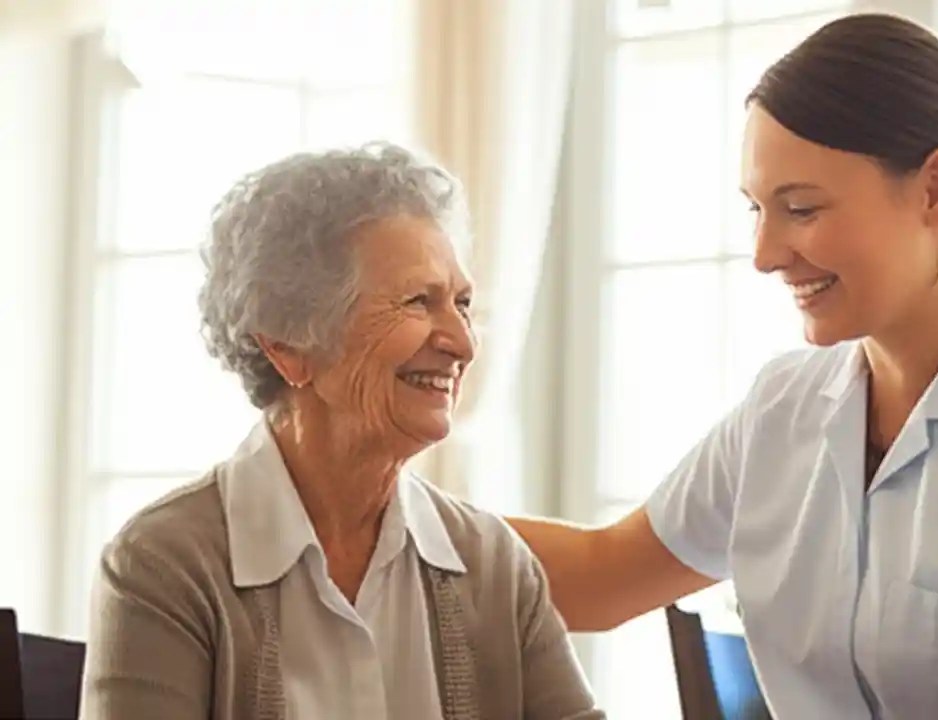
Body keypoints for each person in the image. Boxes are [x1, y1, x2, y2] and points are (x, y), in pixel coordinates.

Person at [508, 13, 938, 720]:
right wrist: (389, 506)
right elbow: (601, 577)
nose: (764, 253)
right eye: (758, 210)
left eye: (801, 209)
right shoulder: (782, 410)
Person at [79, 144, 603, 720]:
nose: (463, 342)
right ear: (287, 345)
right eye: (417, 302)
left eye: (462, 302)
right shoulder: (162, 566)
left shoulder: (494, 563)